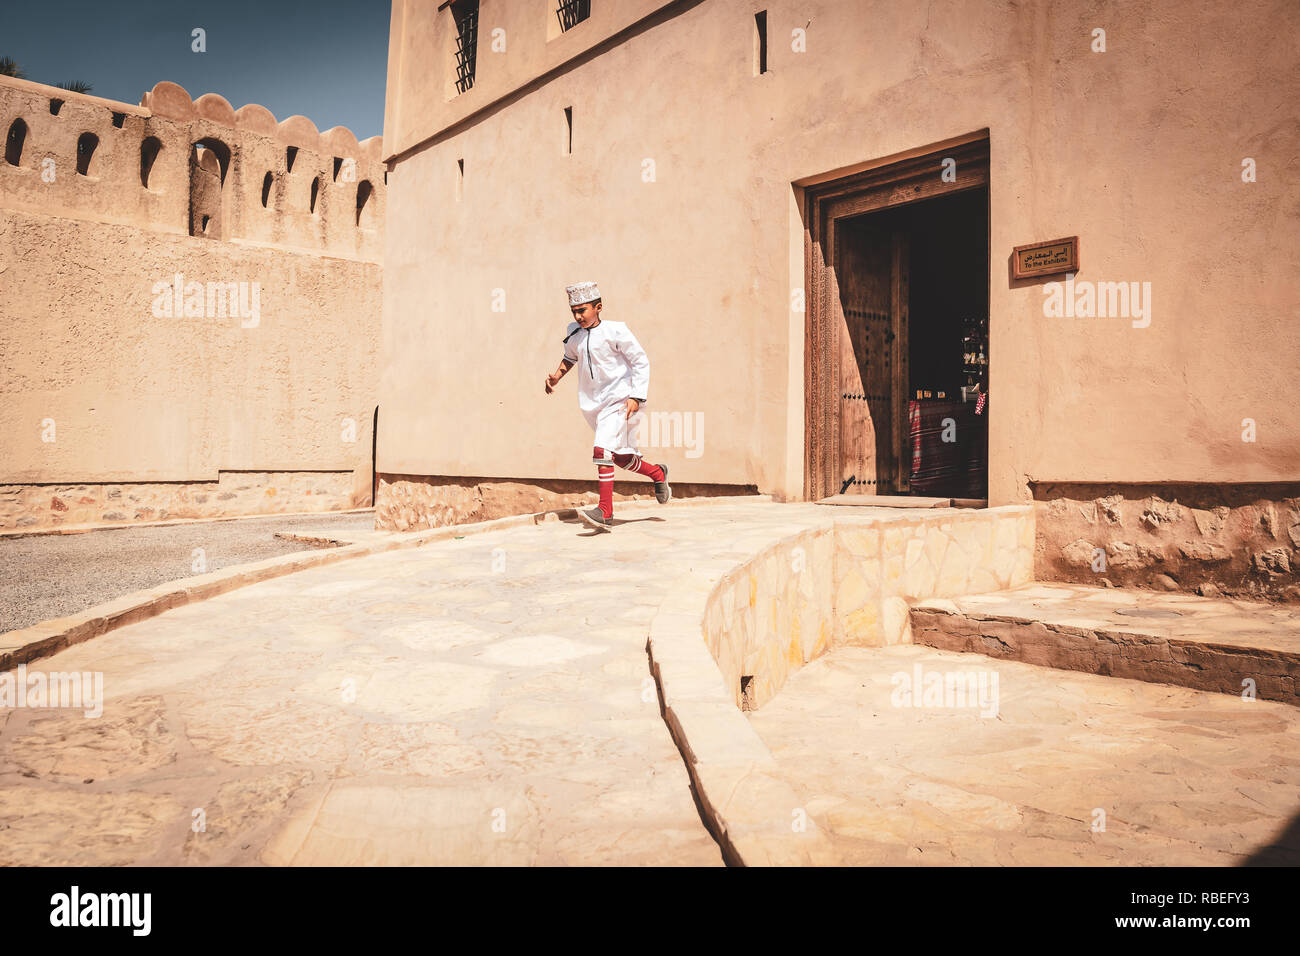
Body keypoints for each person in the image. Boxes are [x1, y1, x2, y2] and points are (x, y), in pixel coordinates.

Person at [544, 281, 670, 532]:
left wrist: (637, 395)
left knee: (602, 449)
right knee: (620, 457)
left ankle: (605, 511)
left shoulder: (616, 331)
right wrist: (557, 376)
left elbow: (640, 361)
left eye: (583, 310)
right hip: (593, 403)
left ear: (598, 307)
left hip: (622, 400)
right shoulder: (574, 333)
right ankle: (657, 473)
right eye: (574, 312)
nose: (578, 316)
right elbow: (570, 357)